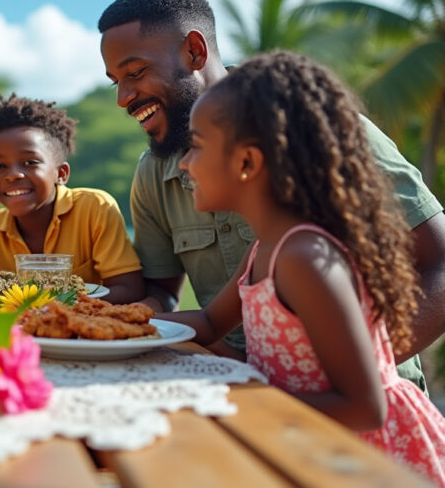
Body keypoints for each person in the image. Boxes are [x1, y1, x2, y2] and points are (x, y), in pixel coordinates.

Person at [98, 0, 445, 380]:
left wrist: (352, 369)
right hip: (244, 388)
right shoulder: (153, 172)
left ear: (194, 51)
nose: (122, 98)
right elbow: (168, 299)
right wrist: (99, 321)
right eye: (114, 82)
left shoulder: (322, 131)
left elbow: (439, 262)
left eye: (136, 72)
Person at [165, 51, 445, 484]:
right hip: (307, 439)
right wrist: (118, 325)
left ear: (247, 163)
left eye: (196, 146)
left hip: (364, 457)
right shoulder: (265, 249)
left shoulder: (304, 257)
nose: (184, 162)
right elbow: (206, 322)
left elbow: (363, 405)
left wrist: (233, 403)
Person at [0, 94, 143, 301]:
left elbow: (129, 290)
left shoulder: (94, 209)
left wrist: (57, 309)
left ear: (61, 174)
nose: (13, 174)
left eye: (30, 162)